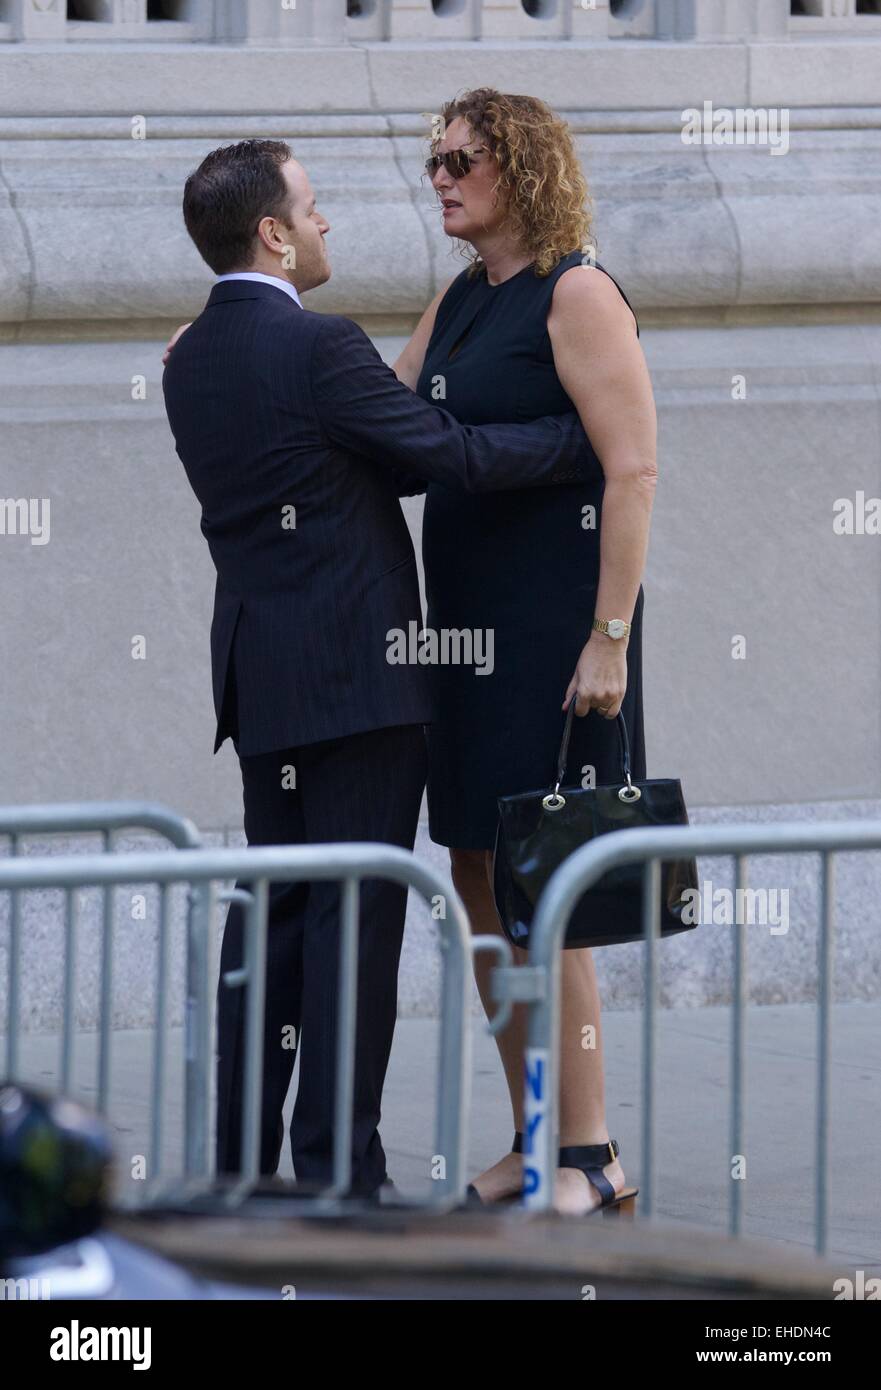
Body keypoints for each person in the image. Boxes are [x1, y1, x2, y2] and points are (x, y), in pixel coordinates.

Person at [162, 138, 601, 1199]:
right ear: (272, 232)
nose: (326, 225)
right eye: (313, 208)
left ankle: (240, 1168)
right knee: (352, 927)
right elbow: (440, 453)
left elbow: (354, 460)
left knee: (274, 919)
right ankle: (341, 1178)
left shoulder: (187, 356)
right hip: (359, 679)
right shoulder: (317, 347)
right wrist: (574, 441)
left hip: (260, 678)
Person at [393, 89, 657, 1214]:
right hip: (463, 641)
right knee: (472, 873)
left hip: (556, 638)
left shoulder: (576, 292)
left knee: (545, 886)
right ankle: (533, 1126)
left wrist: (608, 640)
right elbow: (388, 419)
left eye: (460, 158)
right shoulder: (457, 296)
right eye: (433, 160)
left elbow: (633, 469)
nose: (440, 176)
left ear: (520, 167)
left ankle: (589, 1153)